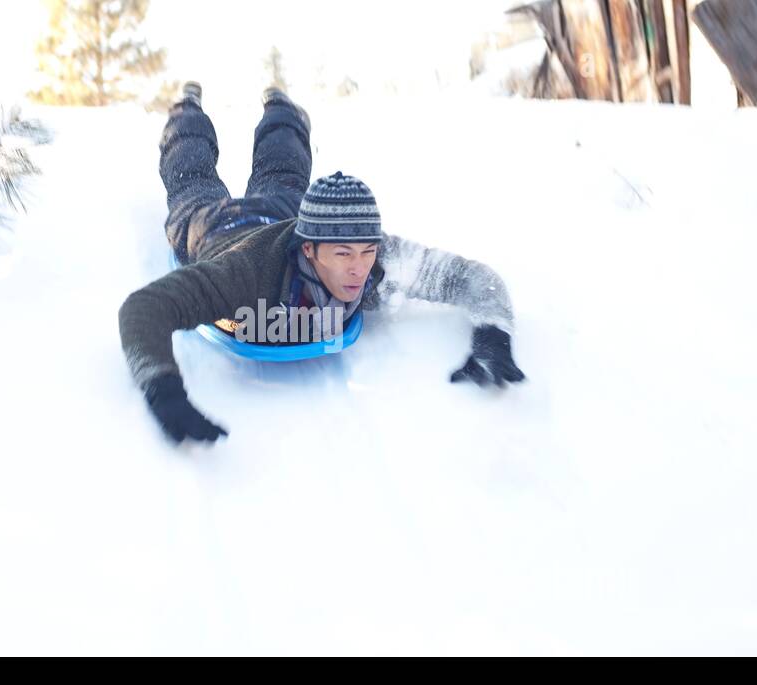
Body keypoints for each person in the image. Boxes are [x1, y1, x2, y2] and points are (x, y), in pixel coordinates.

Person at [120, 82, 526, 445]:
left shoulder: (375, 259)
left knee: (285, 163)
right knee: (189, 171)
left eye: (367, 251)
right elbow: (144, 309)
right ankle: (187, 107)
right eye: (344, 254)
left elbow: (471, 277)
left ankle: (279, 104)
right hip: (216, 226)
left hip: (282, 209)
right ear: (309, 249)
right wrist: (163, 389)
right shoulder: (244, 274)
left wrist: (494, 335)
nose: (359, 268)